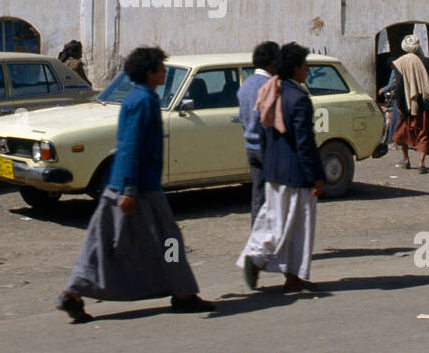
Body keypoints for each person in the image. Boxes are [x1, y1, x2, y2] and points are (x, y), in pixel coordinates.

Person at [58, 46, 213, 321]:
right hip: (141, 189)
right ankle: (183, 293)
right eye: (162, 68)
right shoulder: (146, 102)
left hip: (118, 185)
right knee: (170, 241)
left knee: (102, 242)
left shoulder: (133, 99)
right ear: (151, 73)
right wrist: (129, 190)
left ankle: (74, 292)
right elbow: (131, 146)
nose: (165, 72)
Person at [236, 42, 324, 293]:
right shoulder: (298, 99)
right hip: (296, 175)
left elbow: (263, 131)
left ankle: (281, 271)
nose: (307, 70)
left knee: (275, 219)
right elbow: (305, 142)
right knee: (298, 227)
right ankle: (284, 272)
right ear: (296, 68)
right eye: (305, 65)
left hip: (274, 171)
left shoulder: (271, 91)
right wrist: (316, 176)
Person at [387, 33, 429, 173]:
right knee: (424, 132)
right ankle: (421, 163)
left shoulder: (399, 63)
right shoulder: (428, 62)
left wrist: (401, 105)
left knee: (403, 132)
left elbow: (399, 86)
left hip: (408, 104)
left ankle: (406, 159)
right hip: (426, 104)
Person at [237, 40, 280, 223]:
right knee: (276, 197)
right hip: (268, 147)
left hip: (251, 146)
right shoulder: (271, 85)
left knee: (258, 195)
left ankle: (257, 235)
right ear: (271, 62)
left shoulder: (246, 85)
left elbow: (243, 117)